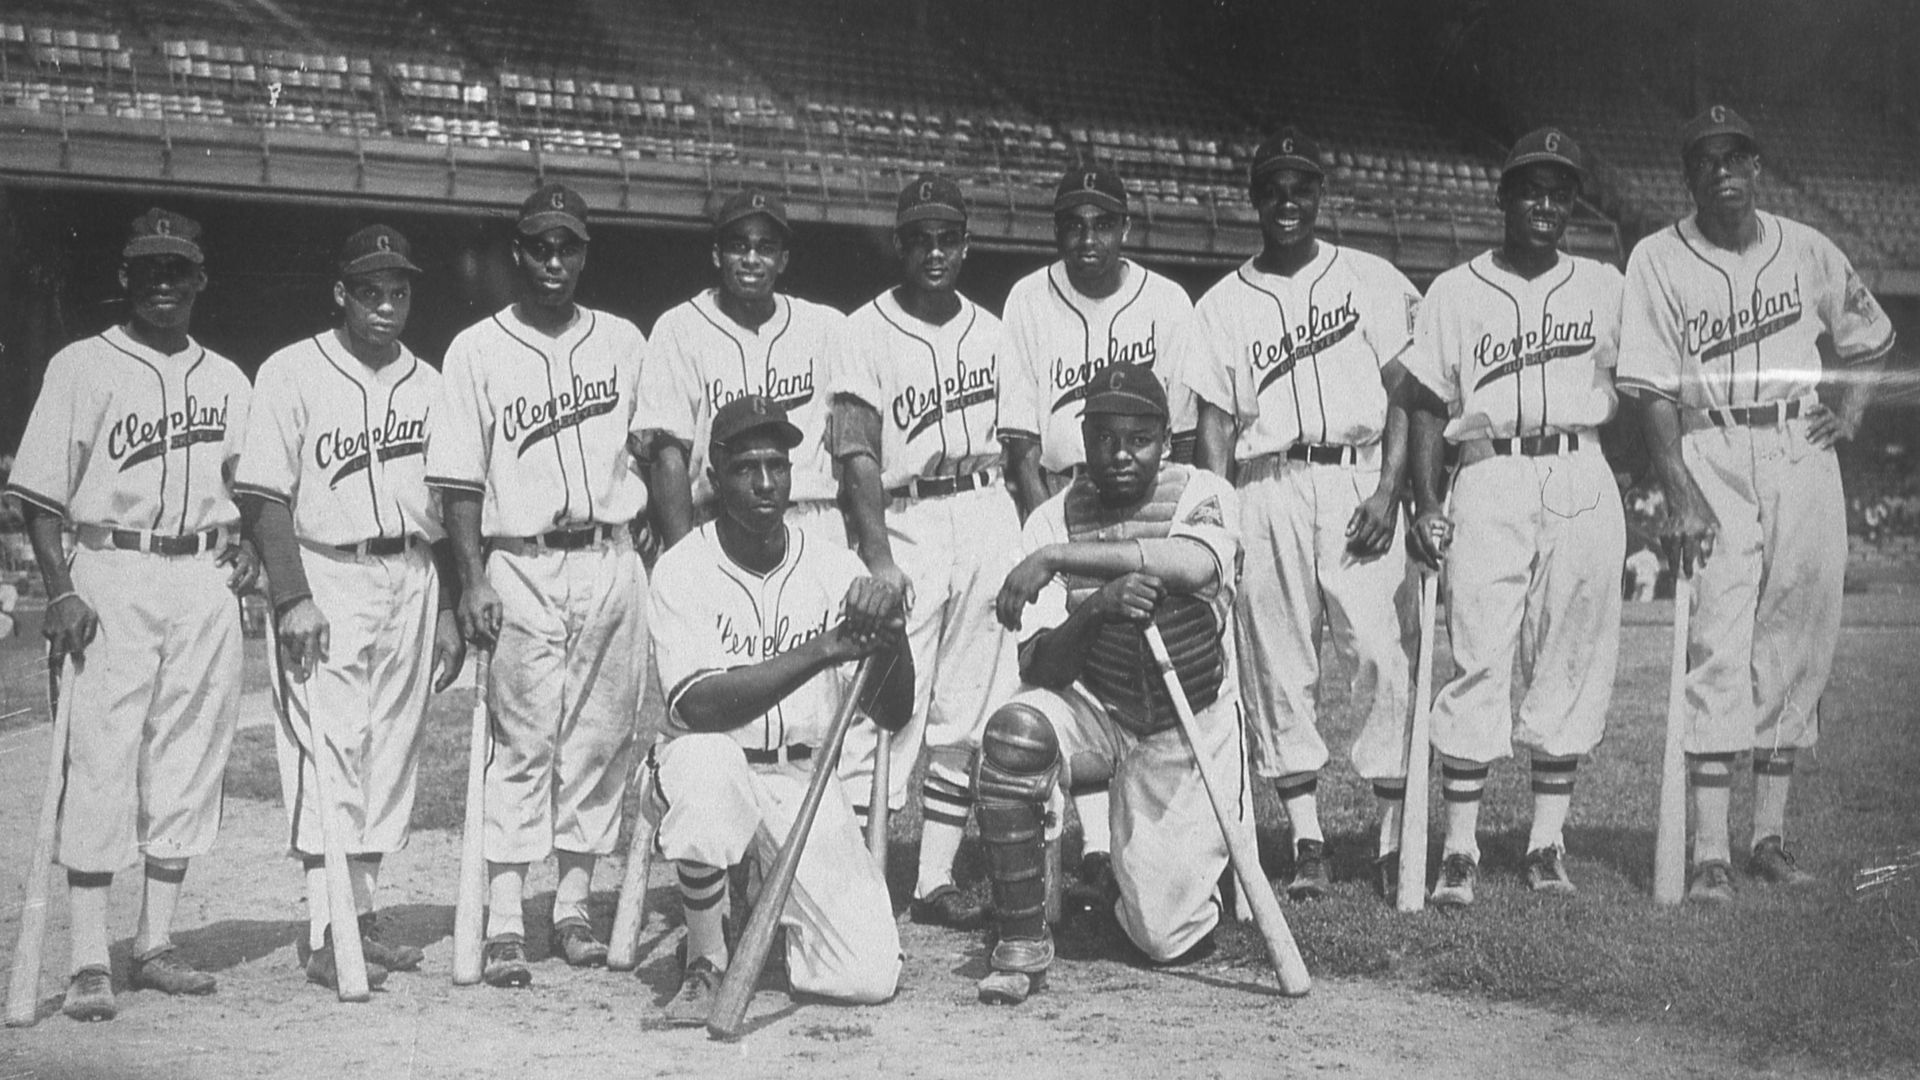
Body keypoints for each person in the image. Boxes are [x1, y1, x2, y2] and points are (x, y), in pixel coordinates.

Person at [1618, 105, 1895, 904]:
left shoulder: (1806, 247)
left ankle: (1767, 838)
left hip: (1801, 449)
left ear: (1758, 166)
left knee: (1799, 636)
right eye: (1706, 160)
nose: (1723, 171)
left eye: (1736, 155)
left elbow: (1870, 337)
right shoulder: (1657, 258)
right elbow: (1650, 389)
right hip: (1711, 446)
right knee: (1717, 638)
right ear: (1690, 175)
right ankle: (1709, 851)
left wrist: (1853, 411)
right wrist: (1680, 492)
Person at [7, 209, 256, 1021]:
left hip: (201, 571)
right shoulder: (81, 365)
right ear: (124, 276)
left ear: (199, 279)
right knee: (102, 757)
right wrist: (63, 589)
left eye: (176, 269)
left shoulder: (228, 377)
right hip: (110, 566)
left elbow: (256, 490)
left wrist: (250, 543)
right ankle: (86, 959)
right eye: (147, 267)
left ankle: (153, 943)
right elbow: (40, 496)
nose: (161, 282)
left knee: (189, 756)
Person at [1176, 128, 1420, 900]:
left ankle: (1389, 835)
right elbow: (1213, 424)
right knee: (1278, 661)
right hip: (1267, 482)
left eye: (1301, 187)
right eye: (1273, 188)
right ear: (1254, 199)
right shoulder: (1222, 303)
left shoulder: (1372, 277)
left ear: (1320, 195)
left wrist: (1389, 492)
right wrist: (1216, 519)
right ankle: (1308, 839)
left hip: (1354, 480)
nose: (1288, 201)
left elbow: (1405, 396)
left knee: (1380, 650)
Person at [426, 184, 650, 985]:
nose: (554, 261)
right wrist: (472, 579)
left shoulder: (625, 340)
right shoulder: (474, 348)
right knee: (521, 742)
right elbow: (457, 481)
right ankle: (504, 916)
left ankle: (573, 908)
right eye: (540, 247)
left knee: (599, 738)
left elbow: (655, 448)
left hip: (610, 551)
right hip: (519, 559)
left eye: (569, 247)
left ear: (585, 253)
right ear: (518, 252)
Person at [235, 225, 465, 989]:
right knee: (326, 745)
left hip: (412, 570)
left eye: (399, 292)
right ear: (342, 293)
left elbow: (455, 501)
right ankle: (327, 927)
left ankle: (360, 919)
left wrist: (451, 607)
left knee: (390, 748)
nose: (386, 306)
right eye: (371, 291)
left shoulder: (432, 384)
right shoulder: (290, 371)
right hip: (327, 569)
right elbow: (264, 492)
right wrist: (291, 594)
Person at [1402, 128, 1627, 906]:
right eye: (1530, 188)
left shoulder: (1605, 285)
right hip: (1490, 469)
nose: (1545, 203)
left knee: (1569, 653)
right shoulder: (1454, 290)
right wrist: (1427, 502)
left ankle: (1545, 844)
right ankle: (1460, 851)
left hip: (1579, 464)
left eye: (1560, 191)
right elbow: (1429, 404)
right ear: (1503, 197)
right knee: (1479, 651)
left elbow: (1652, 379)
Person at [974, 364, 1248, 1004]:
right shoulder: (1050, 516)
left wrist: (1060, 563)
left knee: (1163, 937)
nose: (1122, 455)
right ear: (1084, 439)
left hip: (1187, 724)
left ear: (1166, 439)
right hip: (1099, 704)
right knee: (1014, 733)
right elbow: (1040, 666)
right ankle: (1020, 941)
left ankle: (1151, 869)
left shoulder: (1201, 492)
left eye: (1140, 438)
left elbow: (1194, 563)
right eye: (1105, 438)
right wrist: (1097, 606)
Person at [644, 394, 913, 1024]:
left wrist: (890, 634)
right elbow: (698, 705)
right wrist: (823, 650)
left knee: (868, 976)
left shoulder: (831, 564)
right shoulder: (683, 568)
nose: (766, 483)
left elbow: (894, 713)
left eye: (778, 466)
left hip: (802, 780)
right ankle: (707, 959)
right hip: (702, 764)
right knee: (711, 770)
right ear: (714, 476)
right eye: (746, 468)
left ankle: (774, 921)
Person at [996, 167, 1200, 910]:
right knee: (1053, 678)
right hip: (1063, 491)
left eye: (1102, 223)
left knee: (1165, 922)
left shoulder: (1169, 302)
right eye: (1072, 224)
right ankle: (1078, 846)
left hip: (1150, 497)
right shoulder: (1026, 298)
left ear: (1125, 227)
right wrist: (1049, 529)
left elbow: (1178, 436)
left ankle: (1161, 842)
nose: (1088, 239)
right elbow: (1020, 436)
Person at [823, 173, 1024, 929]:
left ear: (965, 244)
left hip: (984, 507)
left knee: (968, 705)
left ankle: (932, 878)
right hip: (907, 517)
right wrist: (878, 556)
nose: (934, 251)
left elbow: (1018, 443)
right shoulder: (862, 329)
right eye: (919, 238)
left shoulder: (994, 331)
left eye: (947, 238)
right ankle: (846, 872)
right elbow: (857, 454)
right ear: (900, 244)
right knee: (884, 705)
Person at [633, 189, 845, 553]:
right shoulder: (679, 328)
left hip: (812, 519)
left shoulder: (827, 327)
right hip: (718, 520)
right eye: (738, 246)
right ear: (717, 254)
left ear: (783, 260)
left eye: (765, 247)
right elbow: (668, 455)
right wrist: (684, 558)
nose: (751, 259)